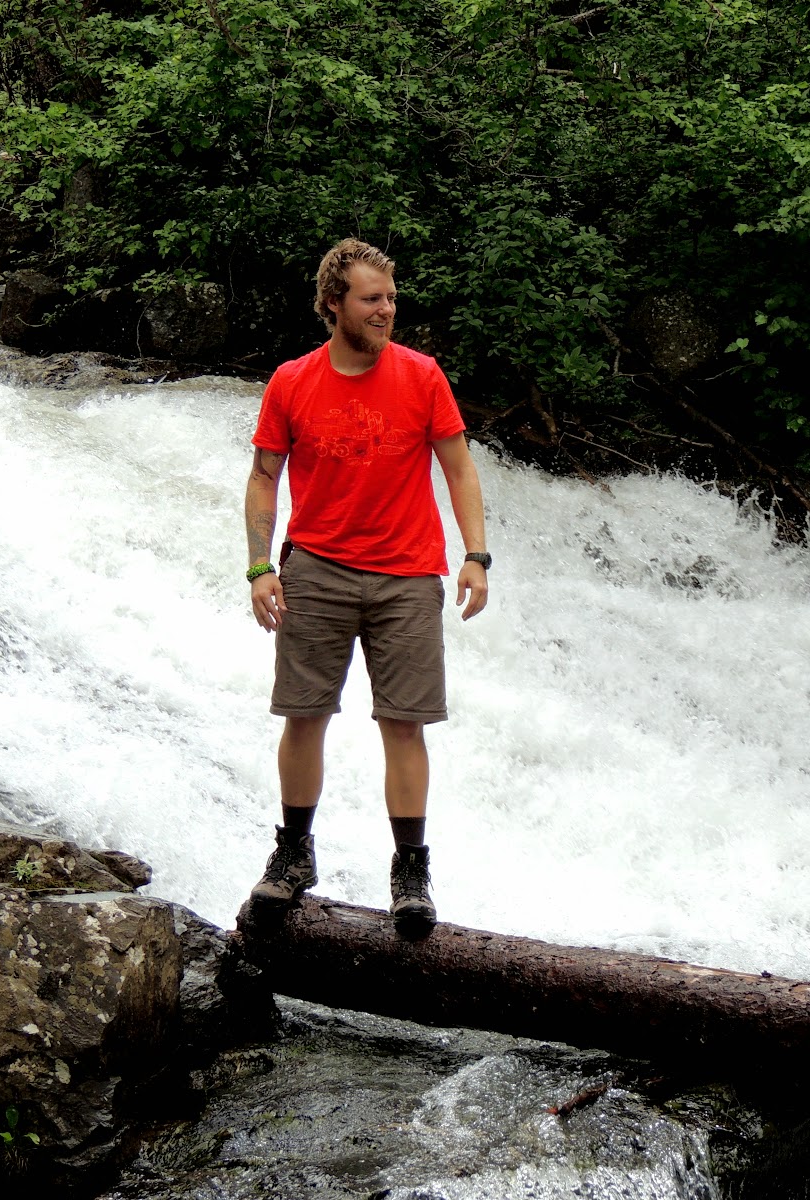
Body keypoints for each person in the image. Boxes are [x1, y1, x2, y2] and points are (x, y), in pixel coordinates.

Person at [242, 238, 490, 936]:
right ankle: (293, 854)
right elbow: (264, 476)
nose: (386, 310)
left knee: (404, 722)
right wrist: (261, 567)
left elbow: (460, 468)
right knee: (304, 713)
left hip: (409, 572)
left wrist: (476, 554)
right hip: (315, 567)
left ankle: (411, 873)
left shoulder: (422, 376)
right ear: (333, 305)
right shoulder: (293, 381)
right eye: (371, 299)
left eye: (390, 297)